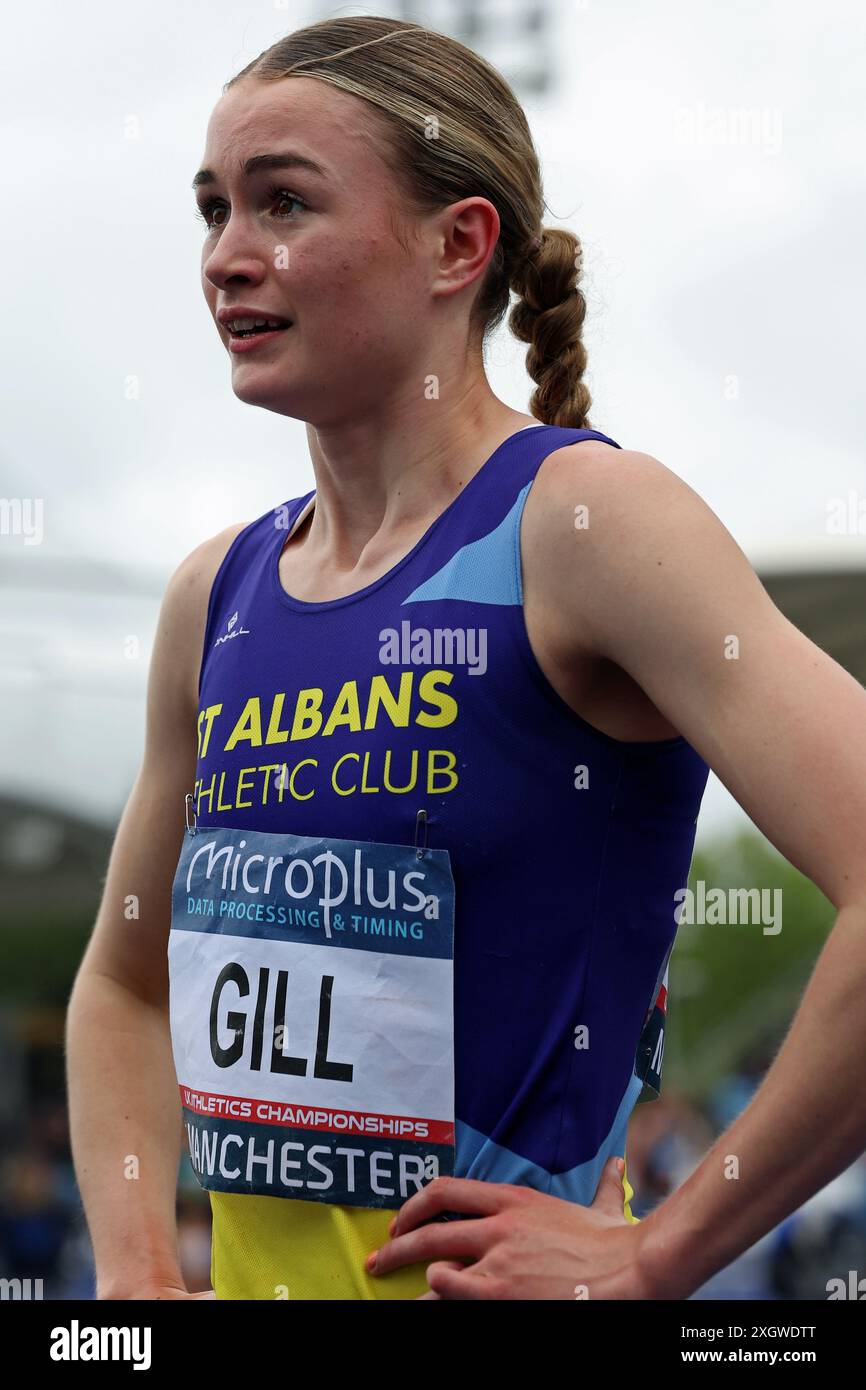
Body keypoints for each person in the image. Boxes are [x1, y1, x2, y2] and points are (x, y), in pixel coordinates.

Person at [66, 15, 866, 1302]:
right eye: (212, 208)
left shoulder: (584, 527)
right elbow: (124, 980)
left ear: (458, 244)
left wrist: (657, 1251)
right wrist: (137, 1269)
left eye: (282, 200)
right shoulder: (214, 596)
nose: (225, 257)